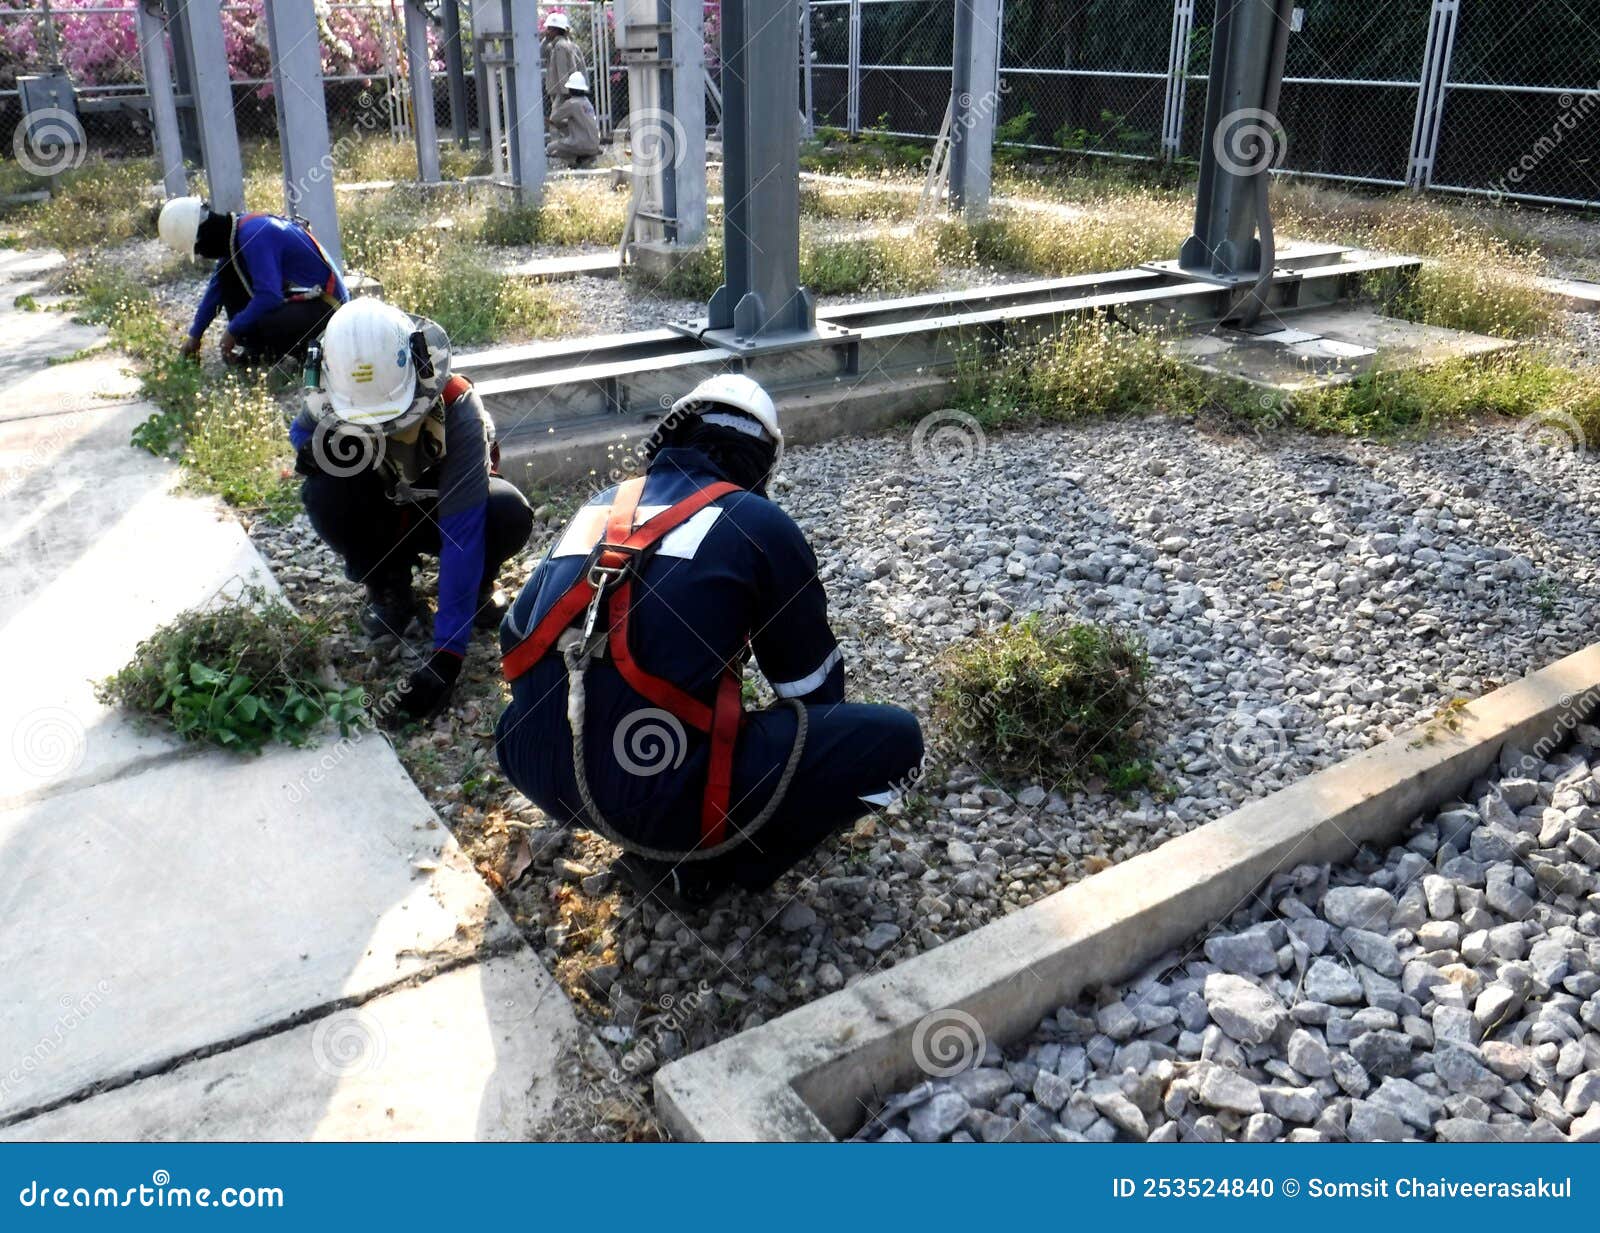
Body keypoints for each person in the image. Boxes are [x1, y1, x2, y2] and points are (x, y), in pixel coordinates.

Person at [494, 374, 924, 909]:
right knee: (897, 743)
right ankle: (706, 871)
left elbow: (514, 636)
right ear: (763, 462)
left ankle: (647, 816)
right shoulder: (760, 524)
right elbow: (812, 691)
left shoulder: (600, 505)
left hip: (531, 760)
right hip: (647, 795)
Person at [292, 298, 533, 724]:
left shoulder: (457, 407)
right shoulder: (330, 391)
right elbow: (302, 433)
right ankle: (388, 585)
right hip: (380, 512)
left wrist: (446, 658)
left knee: (507, 511)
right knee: (324, 492)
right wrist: (309, 451)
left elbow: (464, 532)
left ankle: (478, 588)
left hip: (442, 512)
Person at [157, 196, 348, 367]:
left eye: (198, 250)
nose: (202, 255)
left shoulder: (254, 235)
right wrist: (195, 335)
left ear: (204, 235)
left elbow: (270, 296)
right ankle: (264, 354)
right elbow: (216, 290)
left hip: (328, 308)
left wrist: (232, 330)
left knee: (255, 323)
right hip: (311, 303)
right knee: (231, 286)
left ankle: (302, 357)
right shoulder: (236, 234)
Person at [546, 71, 602, 166]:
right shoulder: (587, 103)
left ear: (570, 89)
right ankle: (584, 158)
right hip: (594, 145)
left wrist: (559, 99)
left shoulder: (571, 103)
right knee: (570, 138)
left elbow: (554, 118)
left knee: (550, 148)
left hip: (580, 144)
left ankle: (574, 161)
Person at [541, 12, 585, 108]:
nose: (546, 32)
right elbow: (541, 53)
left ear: (556, 31)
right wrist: (546, 39)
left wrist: (566, 94)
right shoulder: (562, 45)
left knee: (559, 119)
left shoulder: (559, 47)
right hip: (564, 93)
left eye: (549, 29)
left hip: (562, 94)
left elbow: (563, 72)